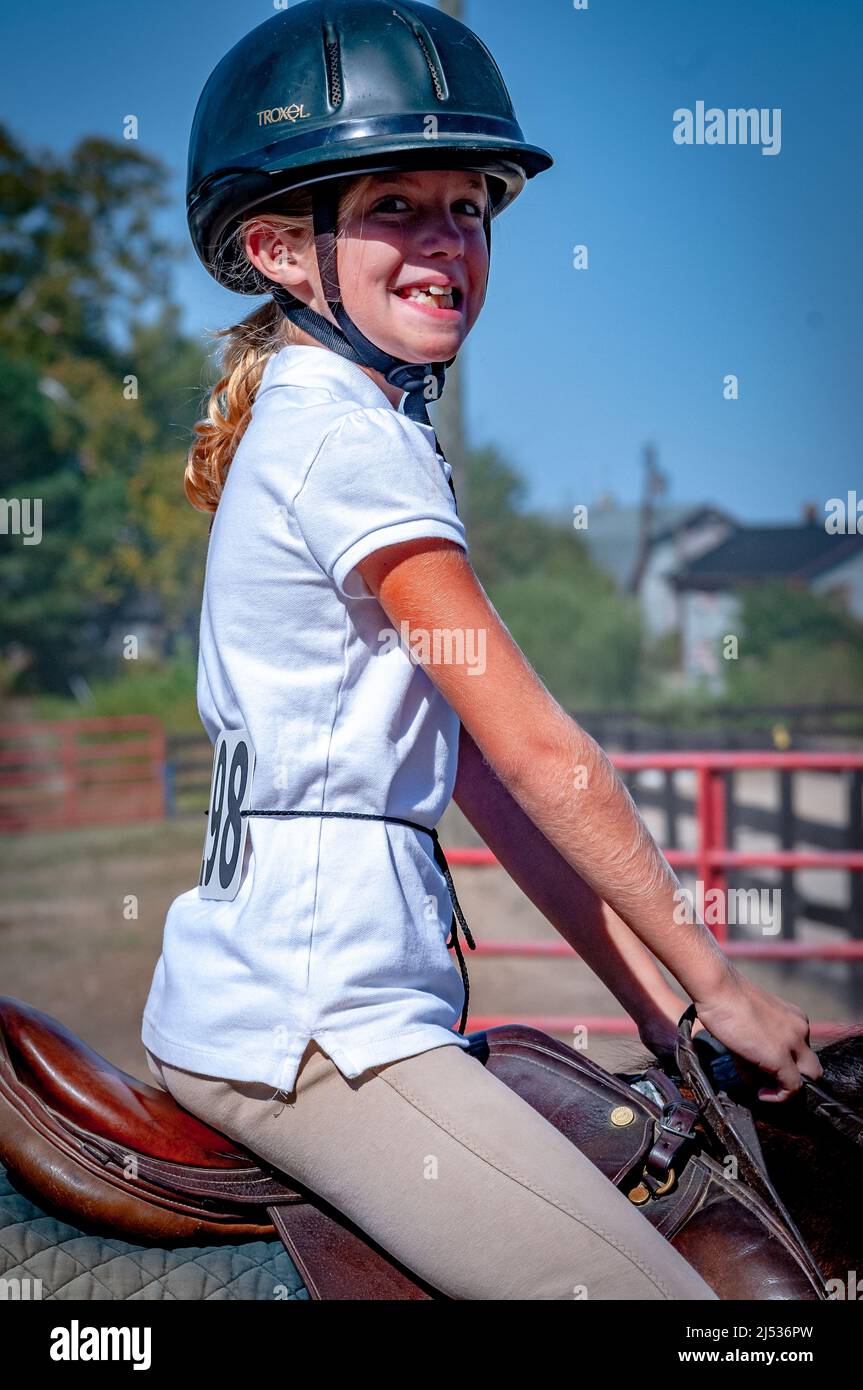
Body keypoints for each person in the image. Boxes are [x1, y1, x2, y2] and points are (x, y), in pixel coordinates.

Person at [142, 0, 820, 1301]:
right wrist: (721, 984)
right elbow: (546, 750)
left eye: (471, 206)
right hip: (321, 1030)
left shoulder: (337, 426)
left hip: (305, 1006)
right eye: (398, 205)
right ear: (284, 247)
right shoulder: (353, 445)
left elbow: (492, 788)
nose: (449, 240)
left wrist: (651, 1007)